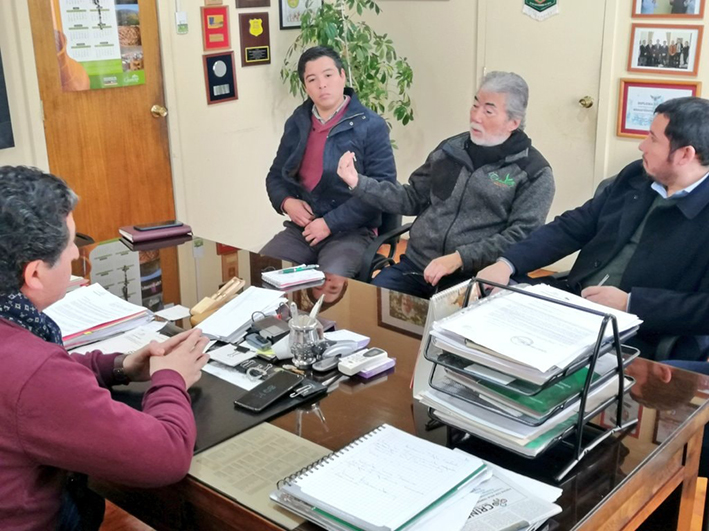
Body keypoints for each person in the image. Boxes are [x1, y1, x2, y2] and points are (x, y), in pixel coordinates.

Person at [0, 166, 210, 530]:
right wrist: (171, 379)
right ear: (34, 274)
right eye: (70, 245)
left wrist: (119, 365)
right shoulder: (32, 372)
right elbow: (166, 456)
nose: (75, 255)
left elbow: (33, 388)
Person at [476, 97, 709, 361]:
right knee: (486, 319)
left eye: (653, 139)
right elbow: (573, 226)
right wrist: (507, 263)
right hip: (575, 303)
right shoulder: (636, 176)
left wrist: (631, 303)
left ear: (685, 154)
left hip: (638, 334)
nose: (642, 145)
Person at [336, 71, 554, 298]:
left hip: (473, 278)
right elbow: (412, 198)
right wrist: (358, 182)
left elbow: (520, 238)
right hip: (417, 267)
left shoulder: (533, 173)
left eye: (488, 111)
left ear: (513, 122)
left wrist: (460, 258)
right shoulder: (450, 150)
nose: (476, 116)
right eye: (475, 105)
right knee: (369, 307)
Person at [262, 46, 396, 278]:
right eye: (312, 79)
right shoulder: (297, 122)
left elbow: (383, 191)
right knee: (263, 271)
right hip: (304, 230)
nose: (322, 85)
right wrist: (287, 202)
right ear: (305, 87)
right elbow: (275, 176)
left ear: (342, 76)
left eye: (328, 75)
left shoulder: (371, 125)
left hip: (352, 231)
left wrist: (329, 223)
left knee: (328, 282)